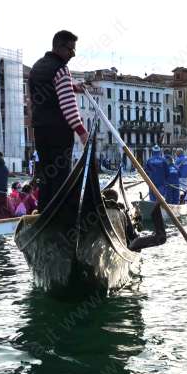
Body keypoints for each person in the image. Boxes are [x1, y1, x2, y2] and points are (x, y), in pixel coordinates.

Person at [29, 30, 88, 208]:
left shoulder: (37, 67)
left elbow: (51, 87)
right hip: (59, 132)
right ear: (60, 47)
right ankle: (60, 214)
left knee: (46, 176)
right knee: (61, 177)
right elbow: (68, 107)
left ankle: (44, 211)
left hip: (40, 130)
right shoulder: (62, 69)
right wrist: (82, 132)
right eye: (71, 49)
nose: (73, 54)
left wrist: (73, 87)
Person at [102, 188, 166, 252]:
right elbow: (131, 234)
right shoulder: (121, 213)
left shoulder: (103, 212)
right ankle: (156, 209)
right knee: (161, 238)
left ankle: (156, 209)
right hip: (124, 247)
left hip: (109, 246)